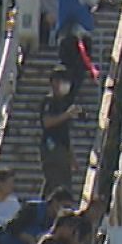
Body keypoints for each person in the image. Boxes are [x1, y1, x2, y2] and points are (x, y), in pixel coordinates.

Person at [37, 66, 78, 195]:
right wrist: (66, 114)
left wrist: (71, 155)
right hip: (52, 148)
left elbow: (65, 132)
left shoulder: (63, 102)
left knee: (63, 182)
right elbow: (47, 122)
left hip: (63, 148)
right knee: (55, 182)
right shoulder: (49, 101)